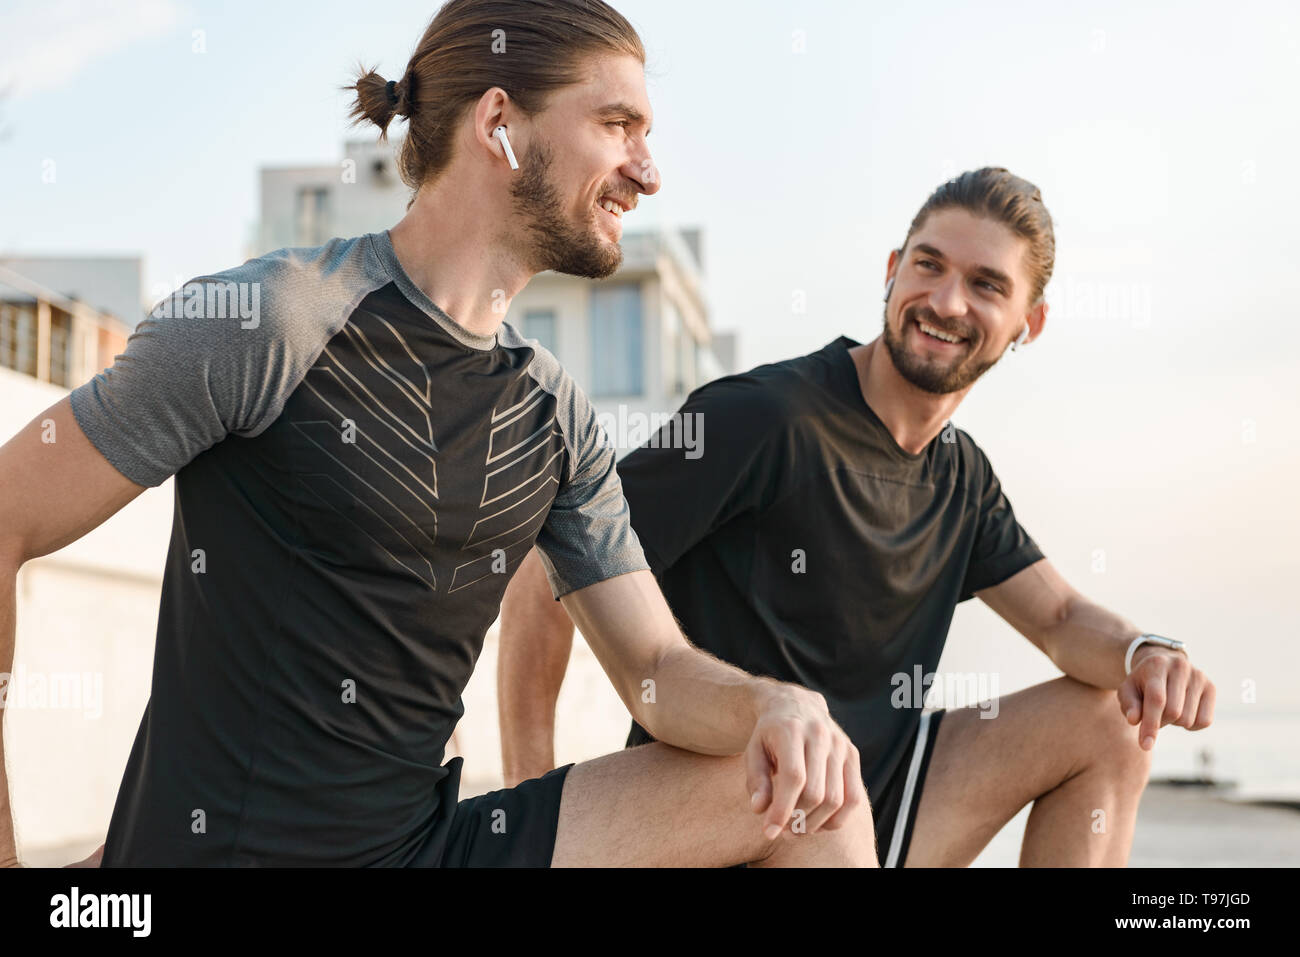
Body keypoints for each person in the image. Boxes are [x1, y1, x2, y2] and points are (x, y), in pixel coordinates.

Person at [0, 0, 875, 868]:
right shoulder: (275, 320)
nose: (647, 172)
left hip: (424, 846)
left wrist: (773, 704)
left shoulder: (551, 411)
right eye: (619, 124)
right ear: (499, 123)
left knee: (818, 803)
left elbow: (653, 663)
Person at [499, 167, 1218, 867]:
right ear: (892, 269)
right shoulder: (764, 418)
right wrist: (527, 802)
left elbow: (1060, 618)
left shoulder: (961, 477)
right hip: (743, 808)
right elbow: (554, 562)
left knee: (1115, 723)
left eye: (986, 284)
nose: (945, 300)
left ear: (1029, 322)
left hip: (885, 808)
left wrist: (1145, 652)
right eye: (928, 265)